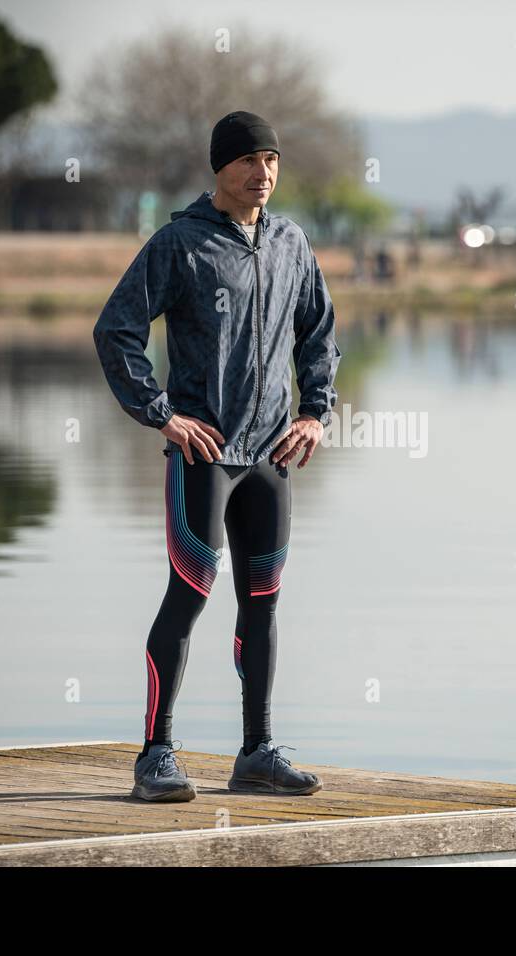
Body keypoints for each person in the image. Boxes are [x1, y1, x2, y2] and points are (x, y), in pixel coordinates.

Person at [92, 111, 341, 802]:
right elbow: (116, 332)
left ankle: (257, 752)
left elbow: (318, 333)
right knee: (190, 593)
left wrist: (316, 413)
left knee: (262, 604)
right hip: (205, 455)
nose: (263, 173)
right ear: (219, 168)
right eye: (249, 161)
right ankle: (155, 755)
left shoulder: (292, 242)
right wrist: (162, 415)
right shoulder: (180, 244)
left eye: (272, 160)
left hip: (270, 456)